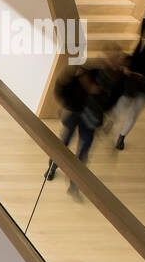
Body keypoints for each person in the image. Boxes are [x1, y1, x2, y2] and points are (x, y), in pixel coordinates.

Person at [43, 61, 119, 196]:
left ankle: (75, 183)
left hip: (91, 120)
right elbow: (62, 90)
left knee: (83, 152)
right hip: (75, 114)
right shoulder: (87, 74)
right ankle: (52, 167)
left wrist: (97, 95)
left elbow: (109, 104)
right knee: (63, 145)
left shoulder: (112, 83)